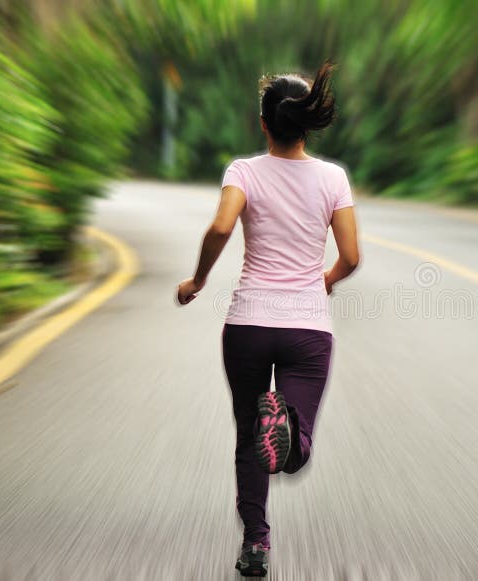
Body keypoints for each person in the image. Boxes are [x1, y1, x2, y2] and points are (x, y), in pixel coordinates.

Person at [175, 60, 360, 578]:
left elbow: (219, 227)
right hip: (306, 329)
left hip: (249, 324)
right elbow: (350, 256)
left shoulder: (244, 171)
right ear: (306, 124)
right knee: (293, 443)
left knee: (247, 434)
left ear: (263, 123)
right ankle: (290, 438)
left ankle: (256, 544)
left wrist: (198, 281)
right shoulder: (332, 178)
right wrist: (323, 280)